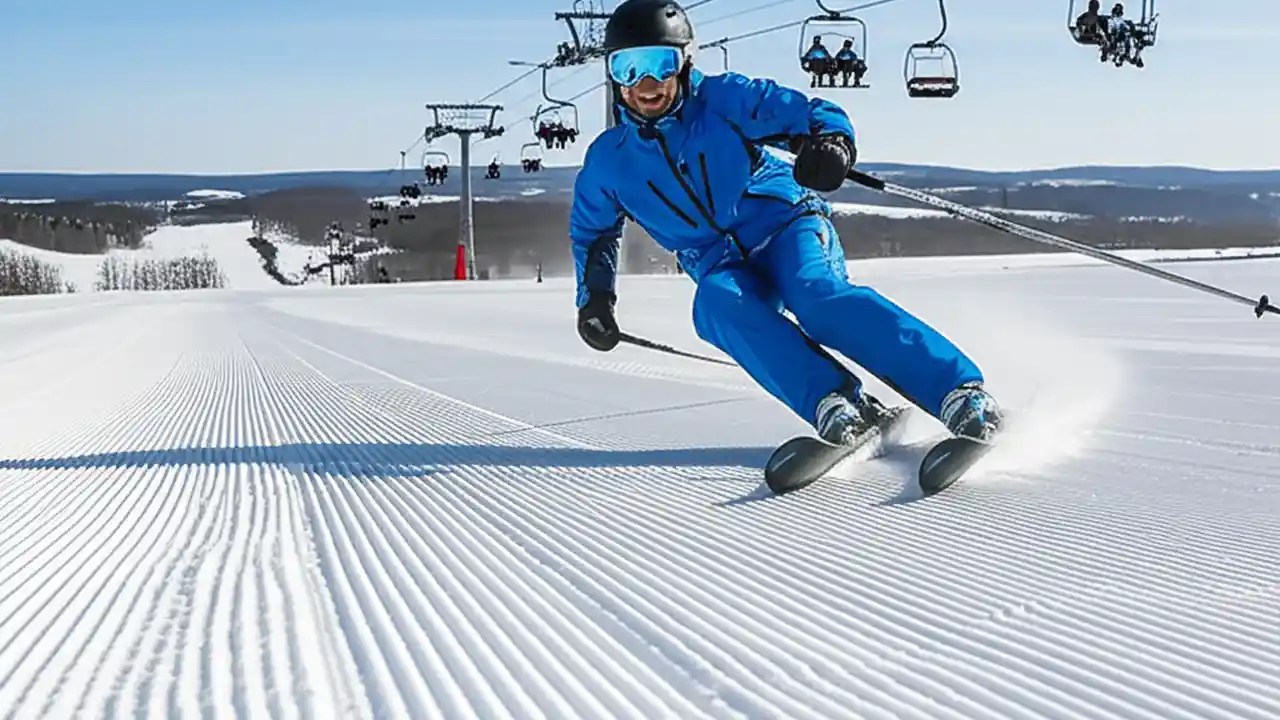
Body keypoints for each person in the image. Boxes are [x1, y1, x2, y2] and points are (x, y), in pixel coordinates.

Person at [569, 0, 1003, 444]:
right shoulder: (608, 161)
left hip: (785, 224)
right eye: (627, 67)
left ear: (684, 64)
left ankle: (959, 393)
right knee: (716, 306)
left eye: (660, 63)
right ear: (612, 75)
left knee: (815, 295)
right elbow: (594, 232)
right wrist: (596, 298)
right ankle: (836, 404)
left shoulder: (722, 101)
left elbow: (811, 112)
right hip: (718, 263)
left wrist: (831, 145)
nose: (645, 82)